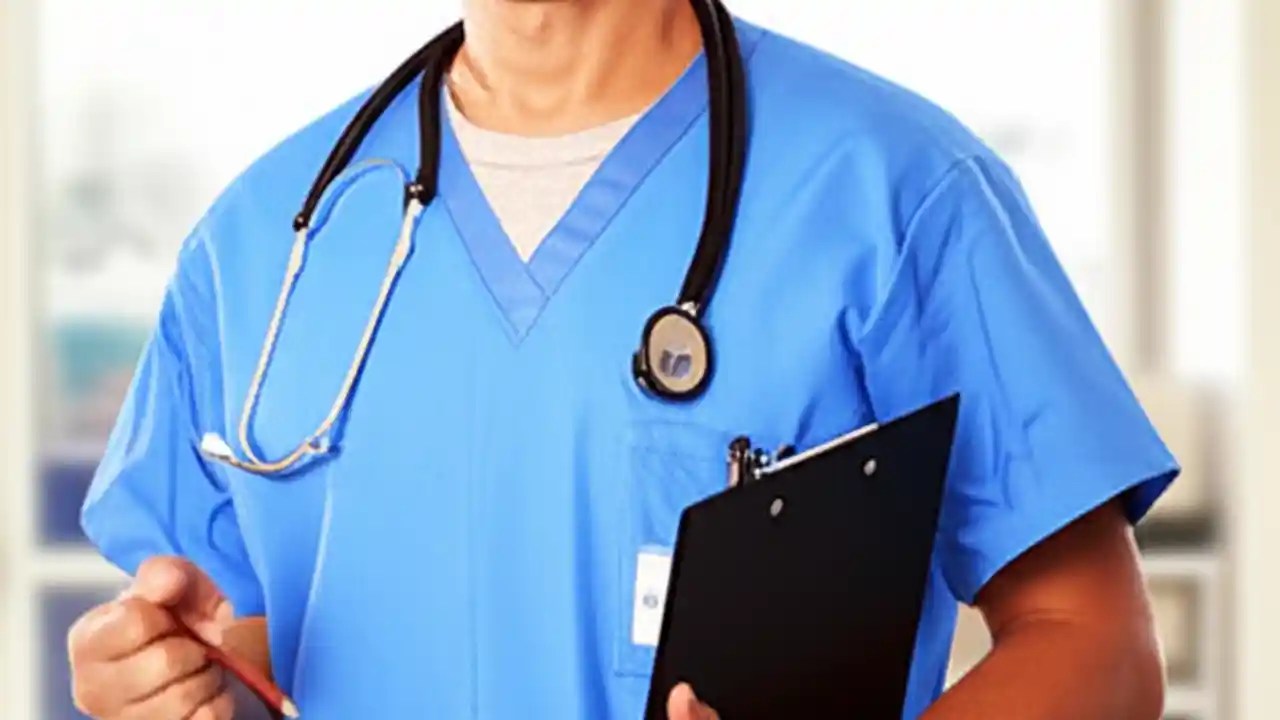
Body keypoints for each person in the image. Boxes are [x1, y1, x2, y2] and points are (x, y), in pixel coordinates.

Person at [66, 1, 1179, 718]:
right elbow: (254, 646)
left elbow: (1095, 647)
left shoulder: (892, 193)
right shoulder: (262, 242)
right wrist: (157, 682)